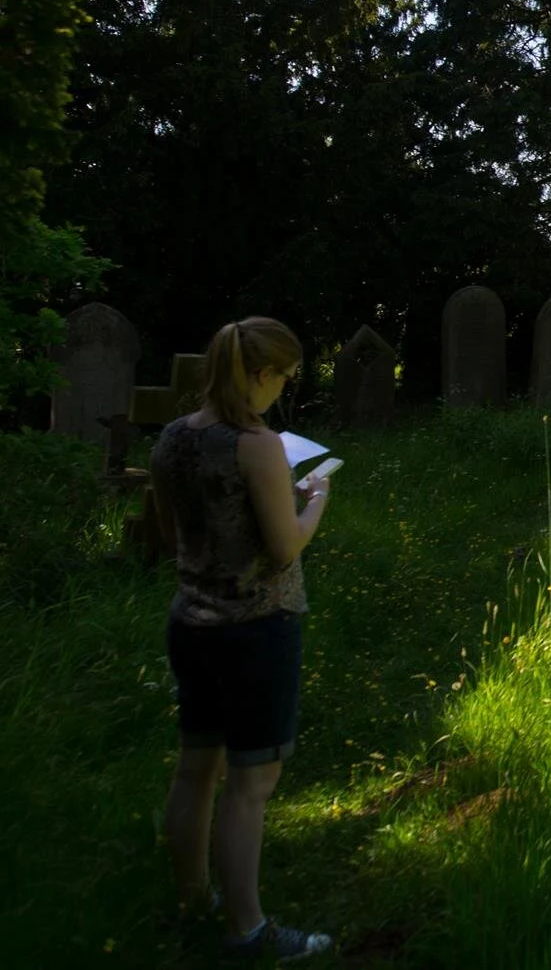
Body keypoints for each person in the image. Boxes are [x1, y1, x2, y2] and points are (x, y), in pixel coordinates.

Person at [150, 317, 334, 960]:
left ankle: (193, 899)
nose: (281, 391)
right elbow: (283, 548)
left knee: (196, 769)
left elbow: (172, 541)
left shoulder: (172, 439)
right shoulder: (255, 444)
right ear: (259, 374)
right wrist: (314, 500)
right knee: (251, 784)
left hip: (192, 622)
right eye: (281, 378)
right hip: (257, 628)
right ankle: (248, 931)